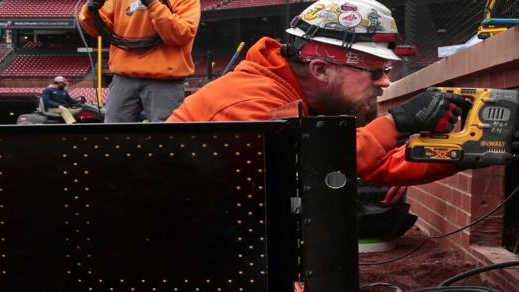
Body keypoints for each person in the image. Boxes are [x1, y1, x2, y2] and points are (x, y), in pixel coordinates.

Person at [167, 0, 477, 187]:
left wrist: (463, 152)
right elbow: (308, 165)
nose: (385, 82)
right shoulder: (249, 101)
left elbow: (372, 162)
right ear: (320, 69)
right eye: (376, 71)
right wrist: (396, 123)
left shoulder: (307, 99)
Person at [78, 0, 200, 122]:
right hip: (124, 78)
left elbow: (182, 35)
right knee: (114, 134)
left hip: (164, 80)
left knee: (166, 136)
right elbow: (98, 28)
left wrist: (153, 4)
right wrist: (89, 9)